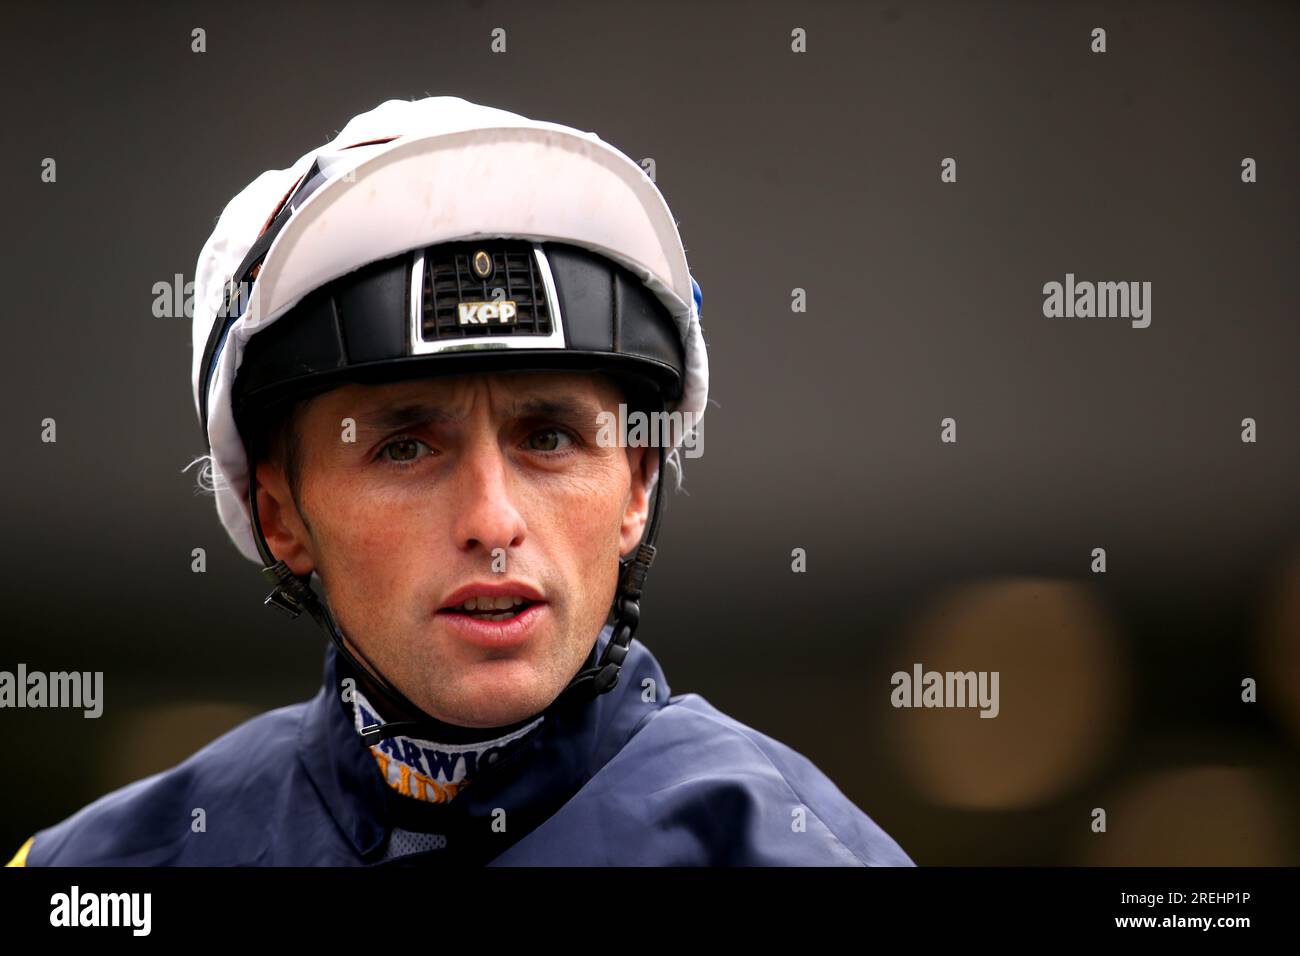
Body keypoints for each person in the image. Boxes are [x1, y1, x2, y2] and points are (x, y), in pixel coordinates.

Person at [8, 96, 913, 867]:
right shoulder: (96, 874)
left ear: (637, 483)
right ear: (279, 515)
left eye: (549, 437)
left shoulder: (794, 849)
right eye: (405, 448)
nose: (493, 521)